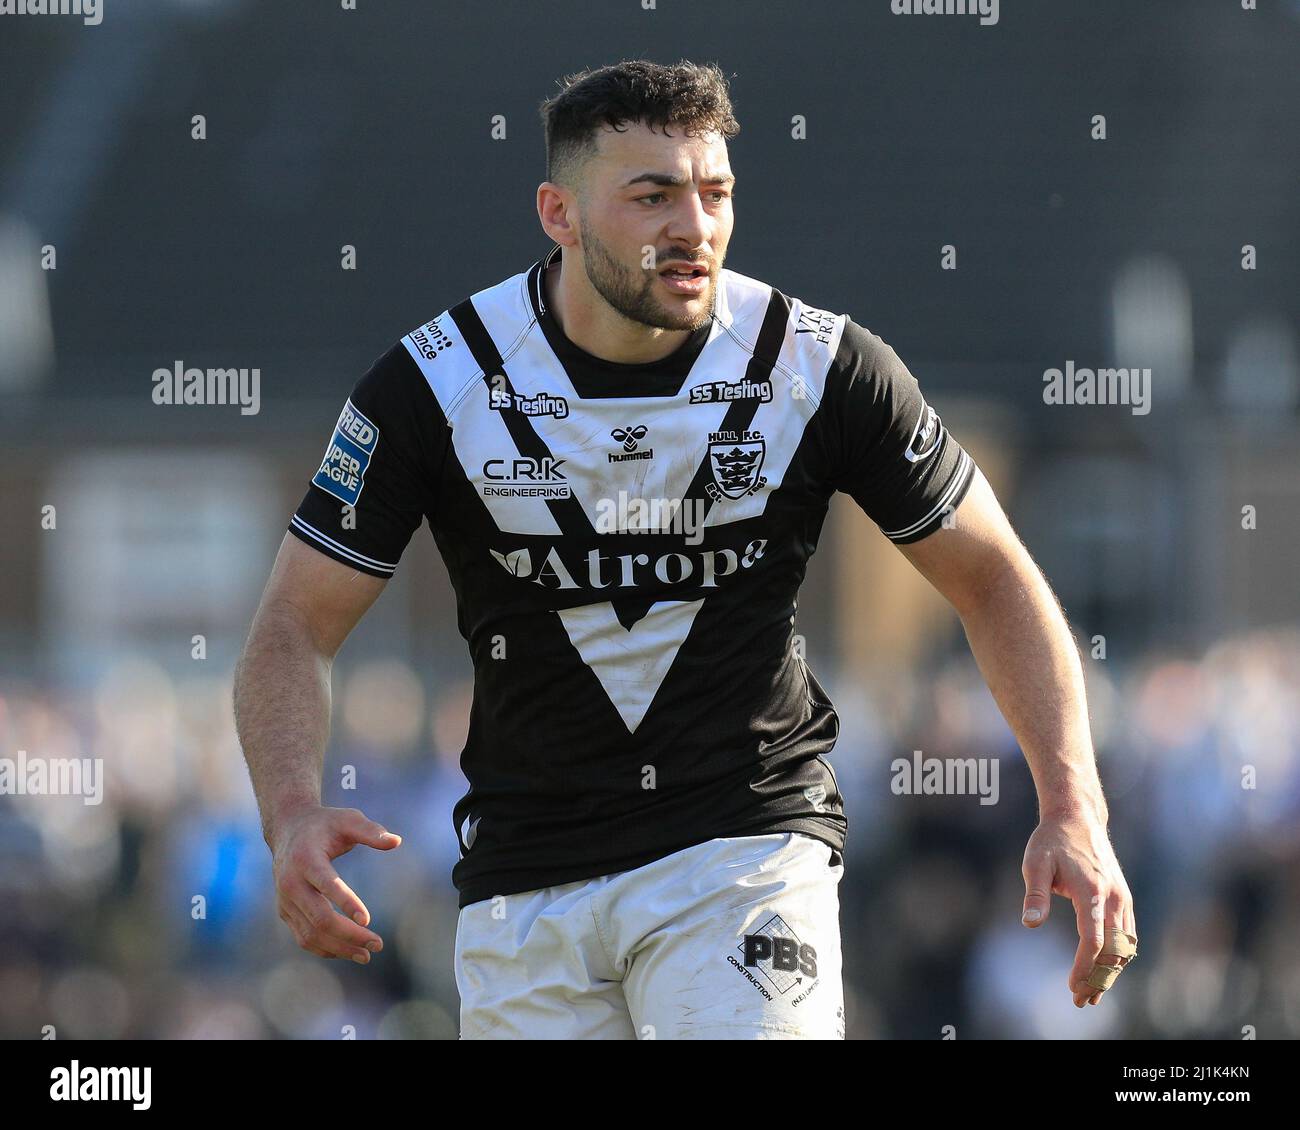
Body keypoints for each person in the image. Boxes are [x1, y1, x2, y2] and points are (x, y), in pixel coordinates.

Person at [233, 59, 1136, 1040]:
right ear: (558, 213)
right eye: (651, 195)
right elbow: (293, 624)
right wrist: (289, 810)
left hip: (743, 854)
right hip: (527, 877)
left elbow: (994, 576)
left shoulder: (818, 366)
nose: (693, 226)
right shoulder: (433, 383)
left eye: (714, 193)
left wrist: (1070, 801)